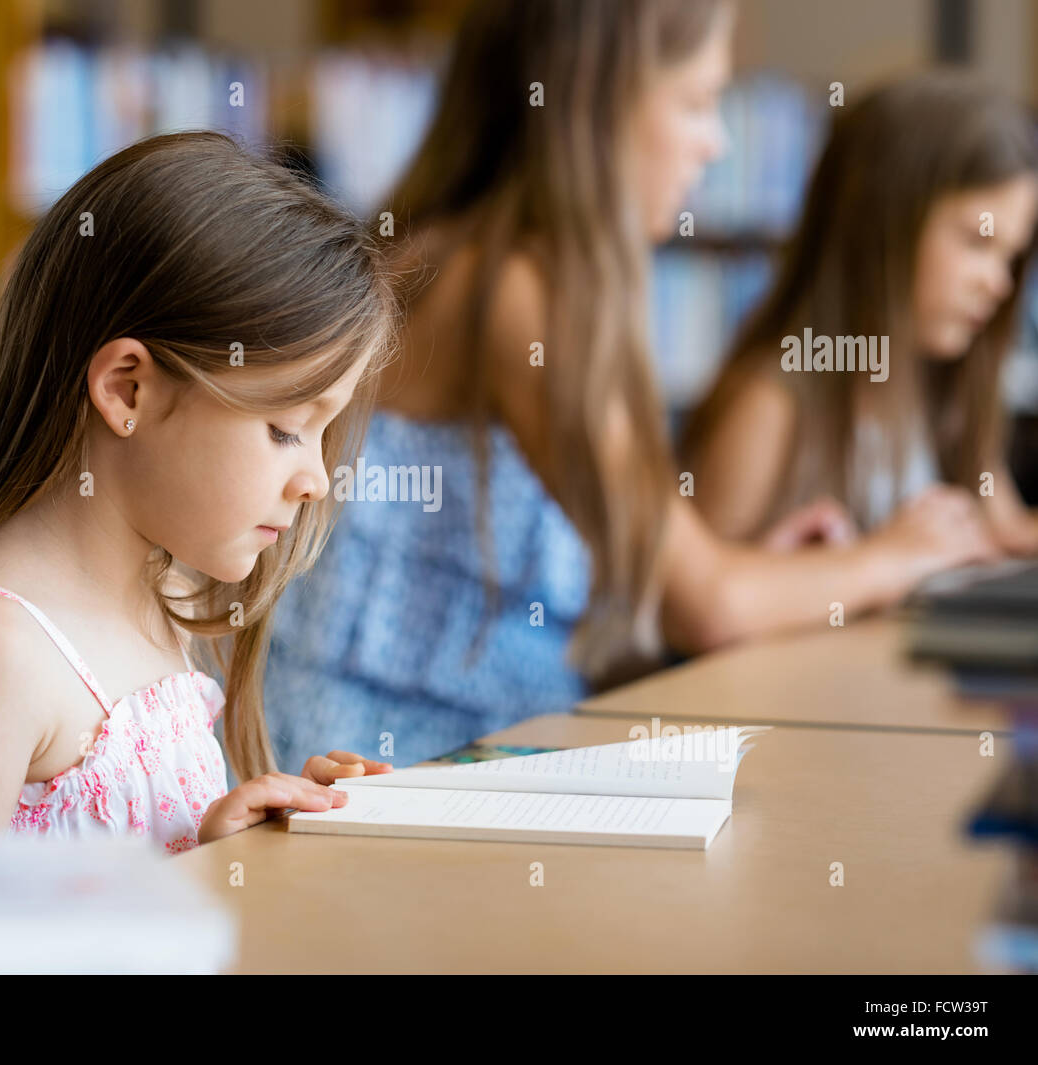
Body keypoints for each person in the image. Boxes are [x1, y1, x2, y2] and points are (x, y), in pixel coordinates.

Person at [263, 0, 997, 774]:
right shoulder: (515, 289)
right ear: (596, 101)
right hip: (374, 771)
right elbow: (710, 603)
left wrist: (776, 576)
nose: (714, 143)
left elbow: (625, 611)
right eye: (696, 102)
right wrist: (900, 555)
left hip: (436, 753)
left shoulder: (485, 256)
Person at [0, 132, 396, 851]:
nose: (316, 479)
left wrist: (233, 841)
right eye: (287, 428)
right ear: (126, 388)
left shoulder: (162, 595)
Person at [681, 71, 1038, 552]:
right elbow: (709, 594)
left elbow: (1006, 530)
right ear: (881, 227)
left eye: (1010, 258)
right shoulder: (770, 402)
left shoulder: (944, 387)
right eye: (977, 242)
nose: (999, 284)